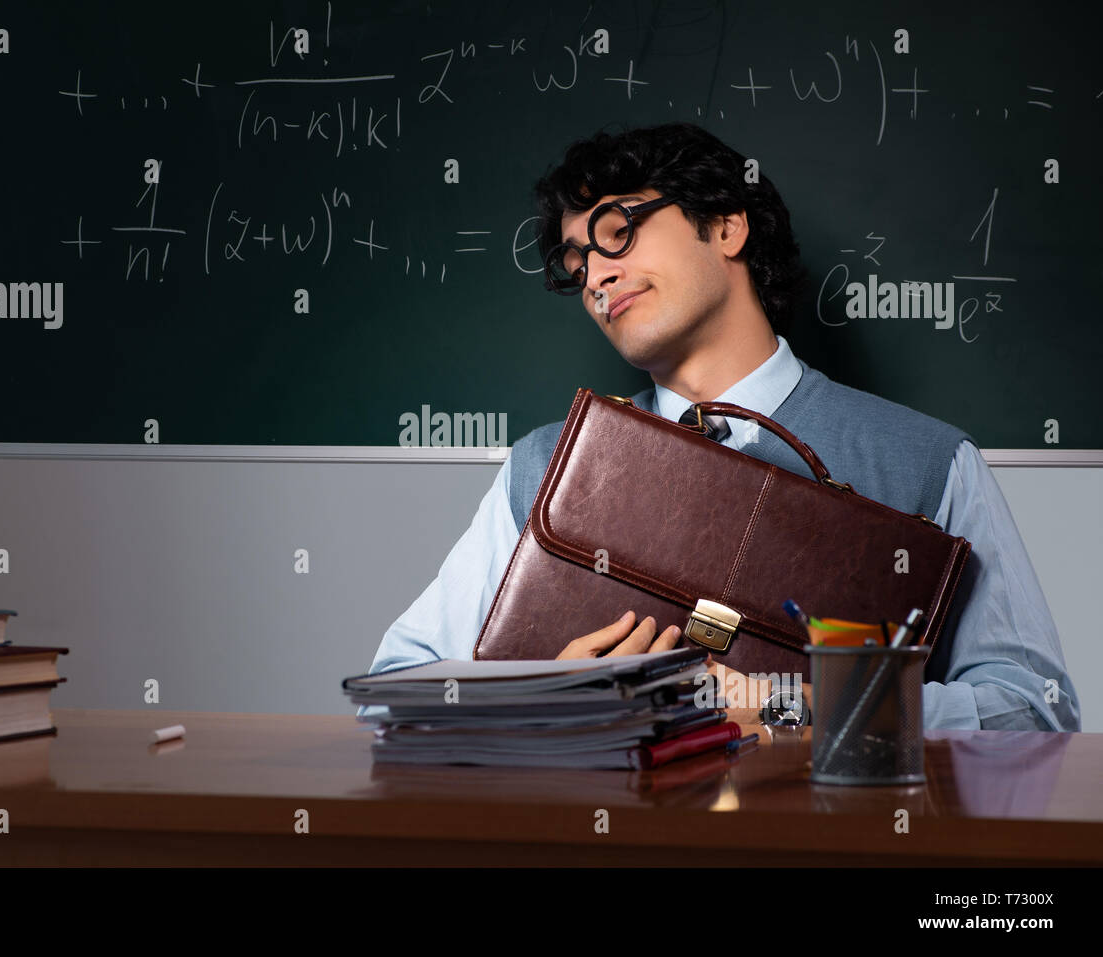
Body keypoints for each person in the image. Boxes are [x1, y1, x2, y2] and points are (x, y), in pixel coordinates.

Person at [363, 122, 1079, 732]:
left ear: (727, 226)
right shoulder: (546, 464)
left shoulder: (930, 461)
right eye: (577, 262)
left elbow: (1033, 710)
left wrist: (794, 706)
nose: (594, 277)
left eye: (620, 233)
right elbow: (394, 688)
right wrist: (547, 696)